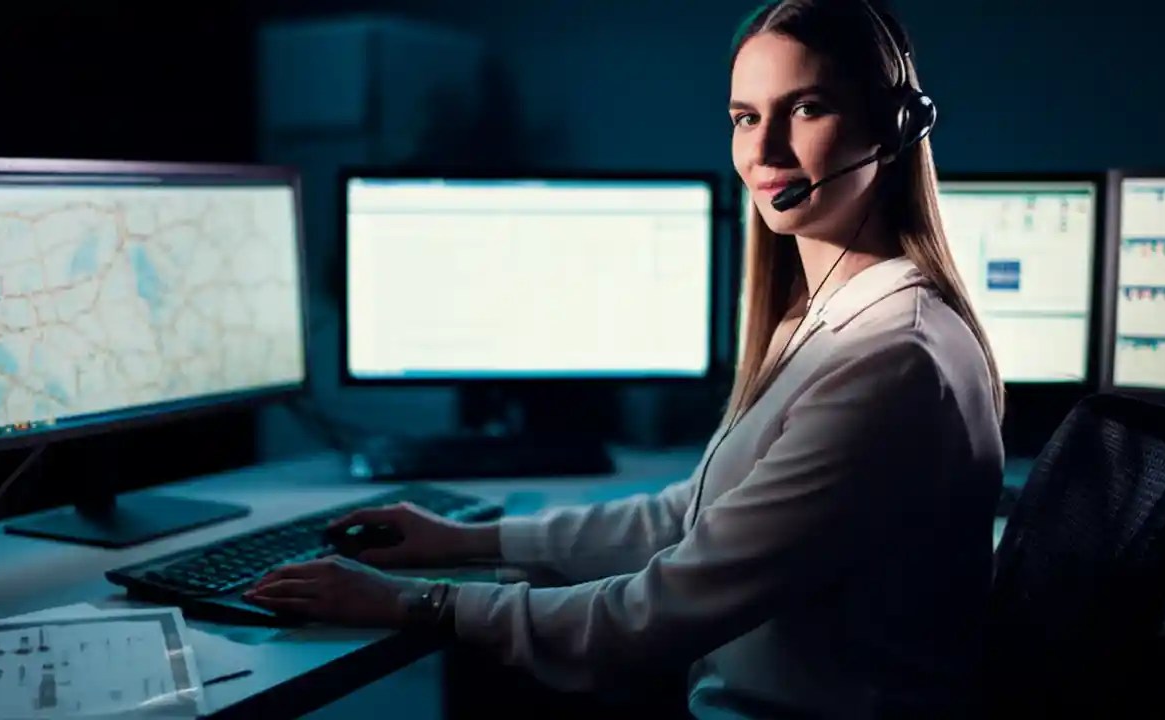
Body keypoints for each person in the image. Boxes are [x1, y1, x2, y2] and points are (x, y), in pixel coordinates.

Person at [244, 0, 1005, 716]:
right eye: (745, 118)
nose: (765, 150)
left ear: (895, 126)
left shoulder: (892, 361)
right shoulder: (831, 318)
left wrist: (412, 602)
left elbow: (645, 621)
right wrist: (466, 541)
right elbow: (689, 518)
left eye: (806, 108)